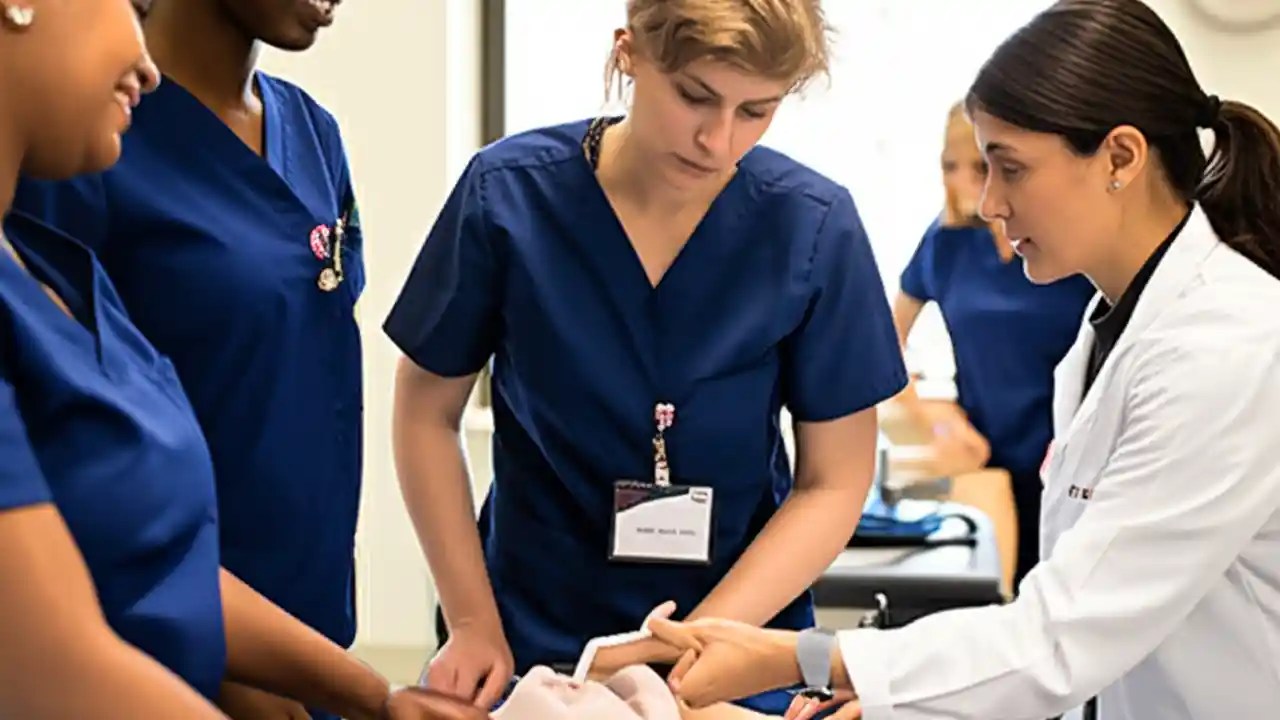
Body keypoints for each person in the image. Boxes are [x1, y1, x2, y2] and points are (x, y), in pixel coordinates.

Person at [641, 1, 1280, 718]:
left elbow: (1057, 637)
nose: (988, 203)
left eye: (1008, 167)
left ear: (1121, 159)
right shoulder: (1110, 330)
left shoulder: (1225, 346)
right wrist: (884, 693)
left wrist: (808, 657)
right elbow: (1070, 639)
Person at [384, 0, 906, 715]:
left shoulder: (812, 227)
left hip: (736, 643)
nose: (718, 142)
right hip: (528, 635)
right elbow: (425, 413)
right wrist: (473, 622)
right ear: (628, 53)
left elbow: (834, 482)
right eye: (695, 96)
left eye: (757, 111)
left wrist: (698, 647)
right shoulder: (509, 197)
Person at [0, 1, 466, 718]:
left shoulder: (309, 134)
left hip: (293, 638)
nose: (143, 59)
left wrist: (369, 695)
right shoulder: (85, 164)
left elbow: (172, 560)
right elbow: (58, 628)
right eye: (126, 4)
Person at [887, 102, 1095, 591]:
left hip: (1074, 457)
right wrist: (938, 420)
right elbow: (882, 341)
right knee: (999, 602)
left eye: (980, 167)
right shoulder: (945, 244)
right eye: (949, 166)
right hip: (987, 456)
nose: (965, 182)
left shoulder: (1064, 242)